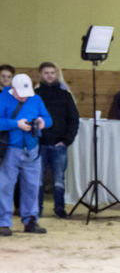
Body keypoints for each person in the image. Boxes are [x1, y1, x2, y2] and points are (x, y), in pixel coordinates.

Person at [0, 74, 53, 235]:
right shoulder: (3, 98)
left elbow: (48, 118)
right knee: (5, 186)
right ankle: (3, 223)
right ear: (13, 89)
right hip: (10, 148)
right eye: (21, 95)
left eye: (26, 95)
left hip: (32, 149)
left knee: (32, 185)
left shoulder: (35, 99)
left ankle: (31, 220)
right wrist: (16, 124)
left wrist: (43, 122)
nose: (24, 98)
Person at [35, 62, 80, 219]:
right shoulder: (35, 95)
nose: (49, 76)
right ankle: (36, 209)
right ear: (40, 75)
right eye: (46, 73)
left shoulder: (65, 96)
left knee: (58, 180)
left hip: (59, 144)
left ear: (56, 75)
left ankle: (59, 209)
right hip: (39, 145)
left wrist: (67, 140)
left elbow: (74, 119)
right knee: (37, 179)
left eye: (52, 73)